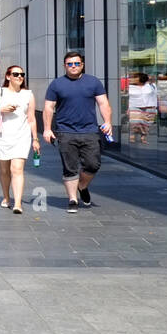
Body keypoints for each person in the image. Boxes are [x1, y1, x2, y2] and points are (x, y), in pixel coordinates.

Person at [43, 51, 112, 214]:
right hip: (65, 132)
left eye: (76, 63)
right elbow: (48, 107)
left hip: (90, 130)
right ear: (64, 66)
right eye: (70, 64)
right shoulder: (57, 84)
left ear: (82, 65)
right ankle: (72, 199)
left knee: (93, 165)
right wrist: (47, 129)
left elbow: (103, 103)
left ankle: (82, 186)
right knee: (70, 168)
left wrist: (108, 122)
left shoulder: (93, 82)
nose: (73, 66)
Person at [0, 65, 39, 214]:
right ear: (8, 76)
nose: (20, 76)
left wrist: (35, 139)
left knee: (17, 169)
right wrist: (1, 109)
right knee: (4, 170)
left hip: (22, 136)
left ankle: (18, 203)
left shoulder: (28, 94)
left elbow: (31, 118)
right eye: (16, 74)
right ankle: (6, 197)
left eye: (22, 74)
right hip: (3, 135)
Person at [127, 72, 156, 144]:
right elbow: (128, 97)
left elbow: (155, 95)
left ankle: (143, 137)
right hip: (135, 106)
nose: (133, 79)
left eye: (136, 77)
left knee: (146, 123)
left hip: (149, 106)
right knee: (134, 122)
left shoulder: (151, 85)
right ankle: (132, 135)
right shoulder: (130, 87)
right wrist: (128, 108)